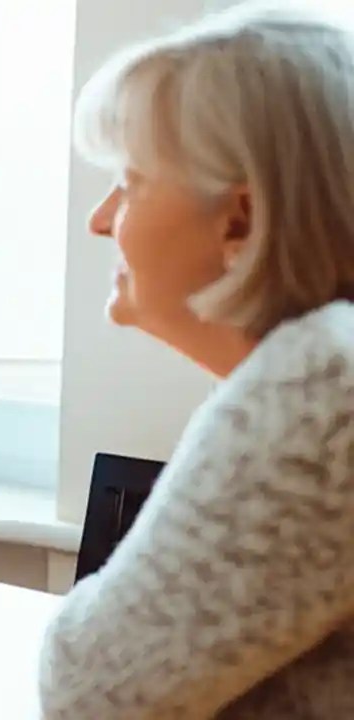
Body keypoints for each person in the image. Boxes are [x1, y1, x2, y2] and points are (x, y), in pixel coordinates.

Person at [40, 3, 354, 718]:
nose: (100, 219)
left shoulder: (317, 386)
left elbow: (89, 689)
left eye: (132, 180)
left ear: (239, 219)